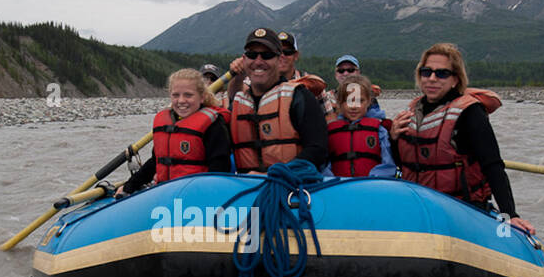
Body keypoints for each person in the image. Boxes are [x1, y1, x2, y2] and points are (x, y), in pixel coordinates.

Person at [389, 42, 535, 234]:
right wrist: (392, 139)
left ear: (455, 80)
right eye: (426, 72)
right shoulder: (412, 111)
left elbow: (492, 165)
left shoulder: (470, 112)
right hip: (420, 206)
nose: (432, 79)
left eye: (442, 73)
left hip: (461, 209)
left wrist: (510, 213)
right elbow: (404, 163)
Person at [117, 68, 231, 196]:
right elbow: (156, 162)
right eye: (175, 95)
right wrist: (129, 186)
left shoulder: (214, 124)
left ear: (202, 97)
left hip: (198, 194)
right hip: (166, 192)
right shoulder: (166, 122)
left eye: (188, 95)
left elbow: (220, 168)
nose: (181, 100)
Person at [229, 28, 329, 172]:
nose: (258, 61)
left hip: (289, 187)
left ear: (279, 59)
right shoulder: (238, 104)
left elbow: (318, 149)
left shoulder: (299, 97)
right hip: (246, 187)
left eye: (267, 55)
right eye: (252, 55)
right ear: (244, 60)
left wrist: (274, 176)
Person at [325, 74, 397, 178]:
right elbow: (324, 166)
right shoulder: (330, 131)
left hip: (371, 186)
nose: (354, 107)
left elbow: (388, 164)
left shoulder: (379, 130)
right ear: (340, 102)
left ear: (368, 101)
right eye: (348, 101)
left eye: (360, 101)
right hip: (338, 187)